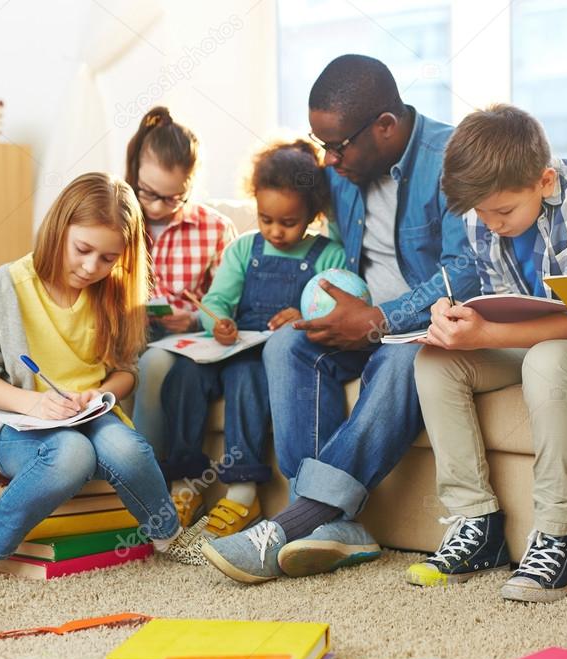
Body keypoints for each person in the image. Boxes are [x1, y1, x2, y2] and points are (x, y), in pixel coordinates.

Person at [201, 54, 480, 584]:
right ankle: (333, 525)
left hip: (427, 327)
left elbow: (466, 272)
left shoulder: (453, 160)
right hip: (359, 320)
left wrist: (381, 318)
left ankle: (296, 520)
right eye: (321, 143)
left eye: (337, 145)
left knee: (402, 362)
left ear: (385, 126)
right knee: (287, 345)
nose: (327, 160)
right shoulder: (348, 171)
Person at [0, 173, 208, 590]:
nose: (91, 267)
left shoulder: (113, 291)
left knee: (126, 446)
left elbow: (126, 371)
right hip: (18, 424)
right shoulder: (6, 285)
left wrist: (102, 395)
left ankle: (168, 536)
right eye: (82, 250)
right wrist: (34, 404)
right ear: (58, 228)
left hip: (90, 416)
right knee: (71, 452)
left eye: (108, 258)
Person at [407, 104, 567, 604]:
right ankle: (476, 524)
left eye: (502, 212)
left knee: (548, 360)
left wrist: (487, 333)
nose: (491, 224)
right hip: (531, 344)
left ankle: (558, 538)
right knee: (437, 361)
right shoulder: (483, 215)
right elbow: (504, 304)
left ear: (544, 181)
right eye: (481, 214)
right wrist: (459, 323)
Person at [160, 140, 344, 540]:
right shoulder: (245, 248)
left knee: (244, 378)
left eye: (289, 222)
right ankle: (184, 483)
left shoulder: (329, 255)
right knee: (182, 376)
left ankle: (243, 492)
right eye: (266, 219)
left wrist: (303, 316)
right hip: (231, 344)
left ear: (313, 213)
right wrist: (219, 321)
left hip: (269, 357)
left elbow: (335, 308)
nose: (275, 231)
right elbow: (217, 300)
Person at [126, 106, 235, 526]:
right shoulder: (118, 216)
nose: (157, 207)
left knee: (155, 365)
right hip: (126, 330)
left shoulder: (214, 228)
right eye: (148, 193)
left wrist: (190, 318)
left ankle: (144, 487)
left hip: (184, 341)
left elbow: (225, 301)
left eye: (173, 197)